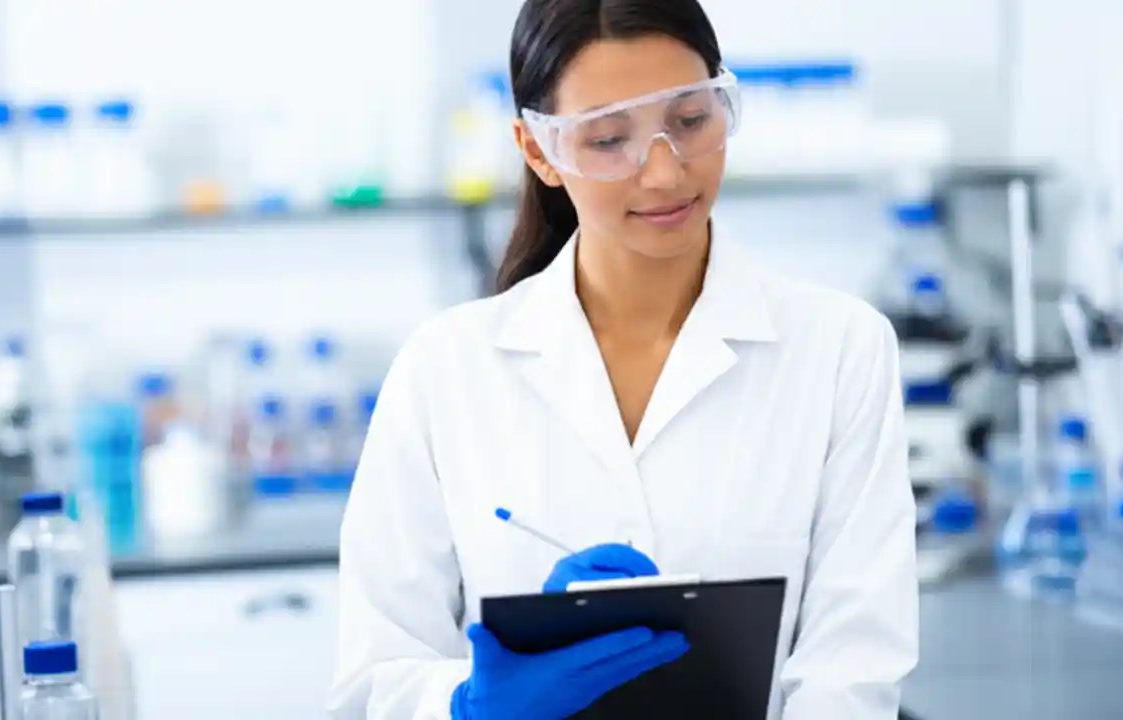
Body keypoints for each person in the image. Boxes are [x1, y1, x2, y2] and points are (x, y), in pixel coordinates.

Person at [327, 0, 918, 717]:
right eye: (609, 139)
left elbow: (851, 671)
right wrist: (469, 706)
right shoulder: (445, 371)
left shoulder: (839, 350)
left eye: (693, 119)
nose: (665, 174)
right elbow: (374, 678)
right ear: (539, 151)